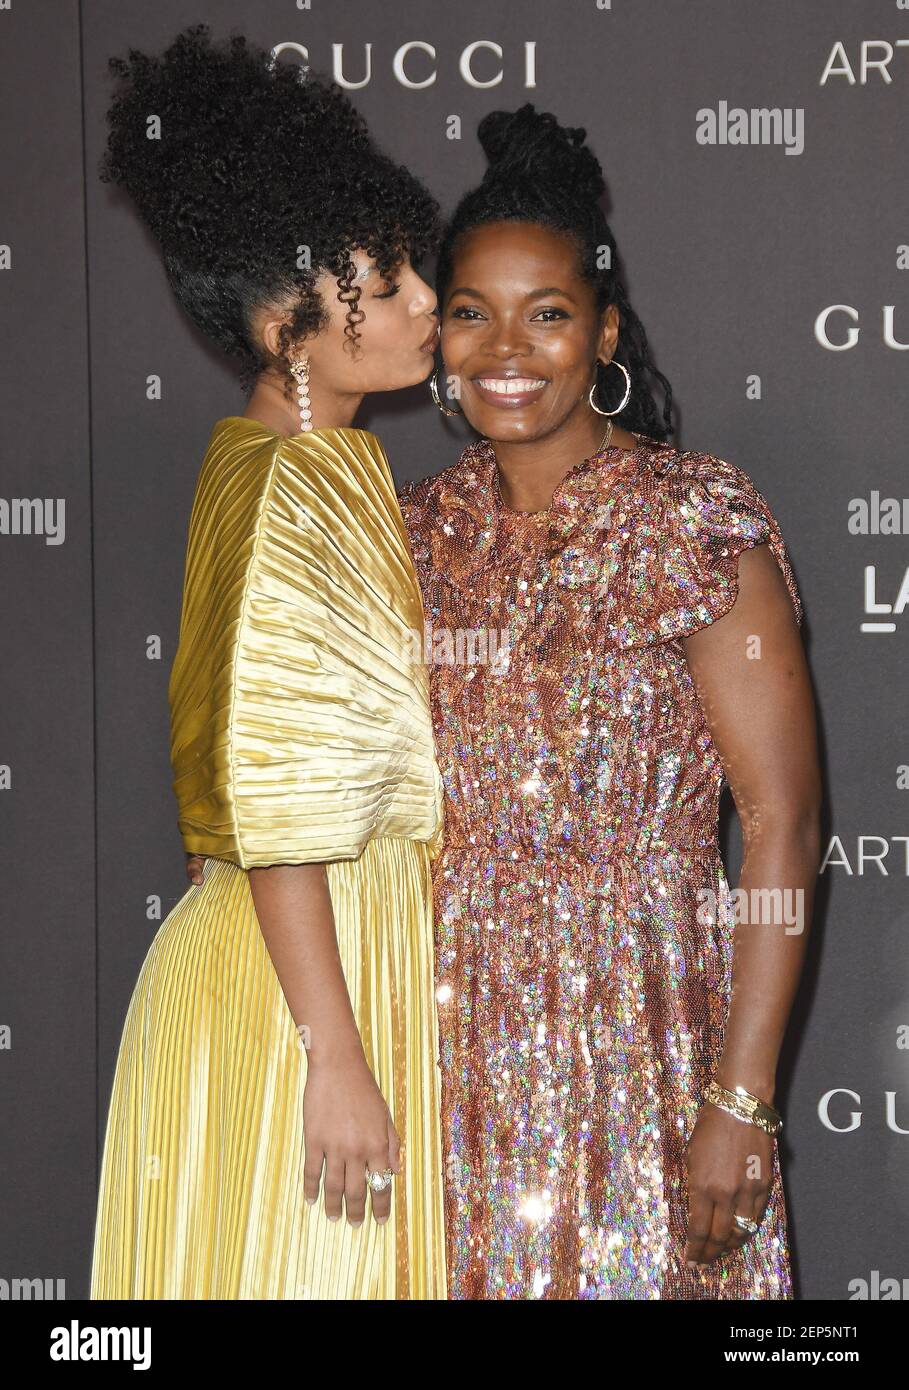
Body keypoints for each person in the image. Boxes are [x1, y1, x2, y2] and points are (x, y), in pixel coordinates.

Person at [397, 105, 822, 1299]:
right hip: (449, 1046)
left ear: (605, 332)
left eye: (548, 313)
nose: (505, 349)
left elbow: (781, 825)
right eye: (472, 312)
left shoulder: (693, 521)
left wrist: (741, 1097)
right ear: (438, 337)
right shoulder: (412, 537)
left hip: (651, 1035)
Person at [91, 25, 446, 1300]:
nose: (424, 306)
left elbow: (221, 778)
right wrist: (335, 1057)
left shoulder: (260, 458)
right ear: (281, 308)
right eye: (388, 278)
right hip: (318, 979)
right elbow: (284, 803)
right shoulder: (297, 479)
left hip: (269, 962)